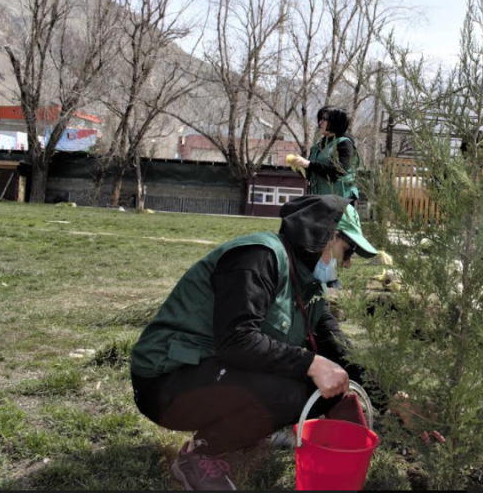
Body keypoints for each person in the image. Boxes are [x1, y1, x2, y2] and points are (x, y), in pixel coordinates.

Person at [130, 195, 379, 490]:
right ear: (326, 236)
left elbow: (337, 349)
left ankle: (249, 432)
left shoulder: (309, 286)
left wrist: (392, 399)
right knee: (289, 392)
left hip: (214, 370)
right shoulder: (258, 259)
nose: (347, 264)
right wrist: (311, 363)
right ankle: (199, 455)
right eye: (348, 251)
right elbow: (236, 341)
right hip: (166, 380)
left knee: (325, 386)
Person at [291, 106, 360, 204]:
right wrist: (299, 167)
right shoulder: (316, 147)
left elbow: (340, 170)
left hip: (340, 202)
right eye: (320, 119)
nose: (320, 122)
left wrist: (309, 164)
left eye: (324, 119)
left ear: (336, 121)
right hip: (319, 201)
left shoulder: (344, 143)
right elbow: (312, 175)